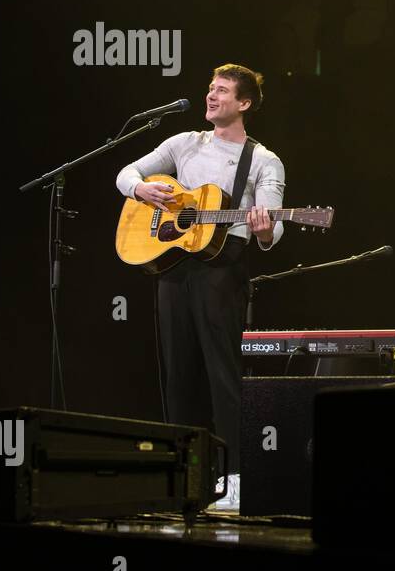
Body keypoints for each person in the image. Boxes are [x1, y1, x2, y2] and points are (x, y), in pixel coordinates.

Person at [116, 64, 285, 510]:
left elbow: (270, 230)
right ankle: (182, 476)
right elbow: (126, 172)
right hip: (173, 267)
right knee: (177, 376)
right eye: (210, 89)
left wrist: (265, 229)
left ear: (244, 104)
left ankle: (234, 478)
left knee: (222, 375)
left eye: (222, 91)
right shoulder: (184, 143)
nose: (211, 97)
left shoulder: (264, 160)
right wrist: (142, 192)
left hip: (222, 269)